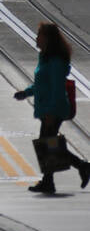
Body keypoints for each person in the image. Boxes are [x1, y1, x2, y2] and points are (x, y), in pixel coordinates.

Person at [14, 22, 90, 194]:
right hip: (48, 108)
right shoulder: (46, 57)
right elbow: (42, 85)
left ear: (47, 38)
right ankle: (80, 167)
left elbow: (56, 89)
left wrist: (51, 113)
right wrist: (26, 93)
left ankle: (51, 182)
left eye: (39, 34)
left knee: (47, 144)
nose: (36, 38)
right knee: (49, 145)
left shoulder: (55, 61)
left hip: (54, 109)